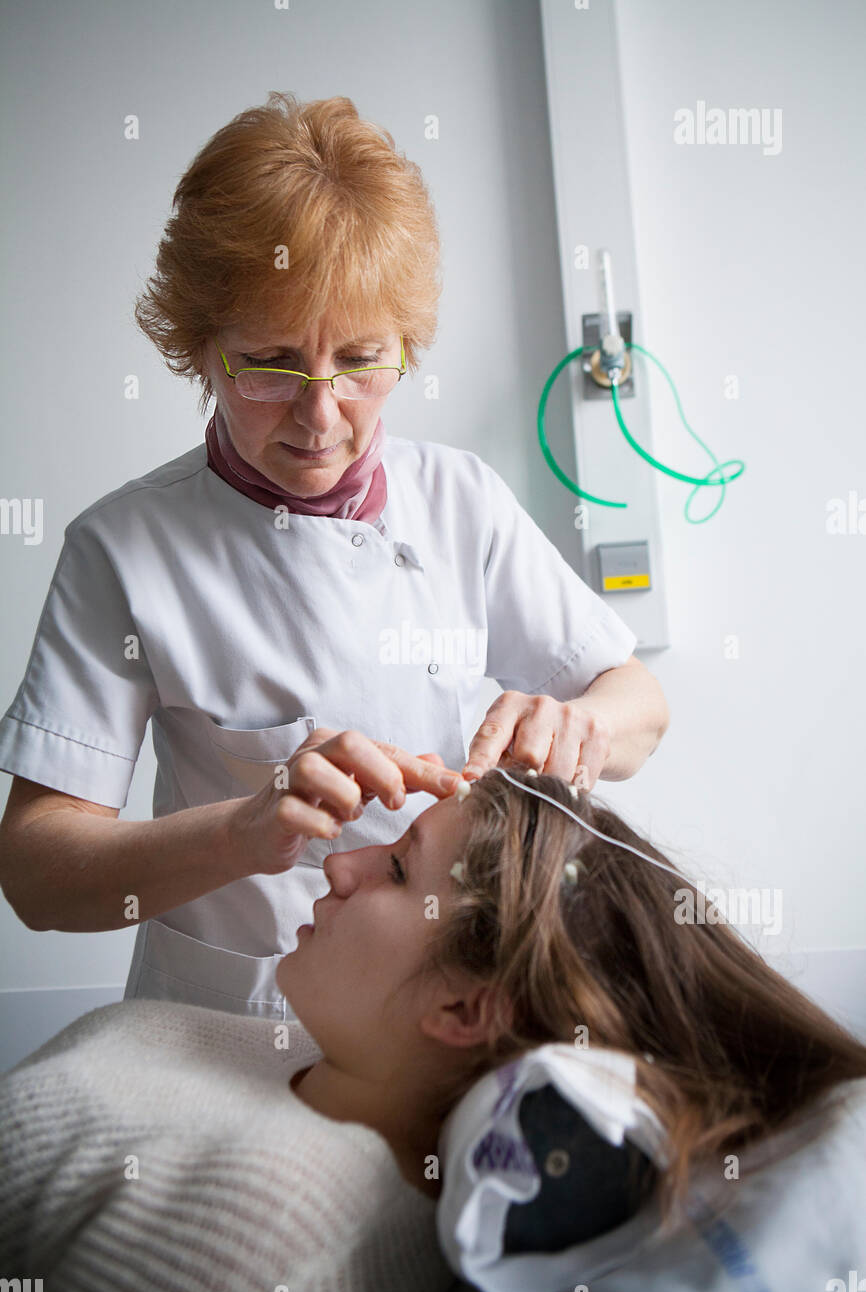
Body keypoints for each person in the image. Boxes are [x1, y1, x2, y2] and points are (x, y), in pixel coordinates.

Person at [0, 92, 668, 1019]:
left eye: (361, 362)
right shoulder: (122, 549)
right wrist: (241, 831)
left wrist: (579, 725)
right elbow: (38, 877)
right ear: (202, 352)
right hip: (223, 1017)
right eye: (270, 363)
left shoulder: (459, 503)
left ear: (407, 347)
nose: (321, 418)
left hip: (433, 1015)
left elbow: (639, 703)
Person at [1, 758, 863, 1292]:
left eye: (397, 866)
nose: (337, 863)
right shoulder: (267, 1057)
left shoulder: (261, 1237)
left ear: (462, 1008)